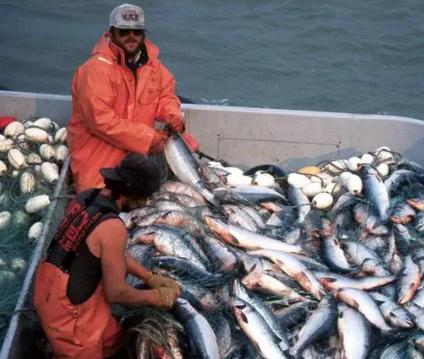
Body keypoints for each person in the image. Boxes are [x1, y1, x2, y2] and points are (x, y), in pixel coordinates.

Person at [34, 153, 181, 358]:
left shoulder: (87, 196)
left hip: (48, 285)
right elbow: (117, 294)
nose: (144, 203)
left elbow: (109, 255)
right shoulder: (113, 227)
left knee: (112, 340)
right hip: (67, 313)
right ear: (131, 193)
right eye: (144, 197)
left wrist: (148, 277)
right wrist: (156, 297)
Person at [67, 3, 192, 193]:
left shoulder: (153, 66)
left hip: (136, 159)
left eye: (137, 31)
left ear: (143, 34)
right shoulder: (95, 70)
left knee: (189, 145)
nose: (131, 36)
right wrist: (149, 138)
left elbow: (166, 94)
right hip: (99, 165)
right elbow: (101, 121)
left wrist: (172, 114)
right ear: (112, 32)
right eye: (124, 31)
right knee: (100, 204)